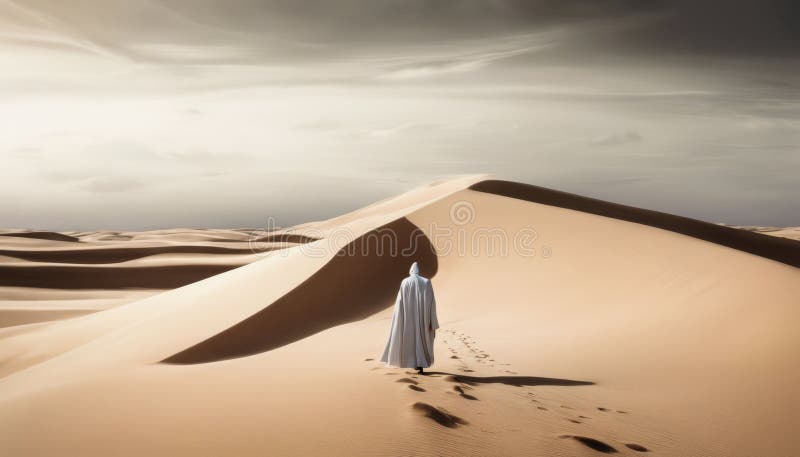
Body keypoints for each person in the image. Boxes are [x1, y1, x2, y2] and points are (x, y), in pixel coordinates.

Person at [380, 261, 439, 374]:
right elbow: (432, 302)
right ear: (419, 271)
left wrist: (399, 318)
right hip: (423, 317)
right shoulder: (426, 282)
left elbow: (399, 302)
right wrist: (433, 321)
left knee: (410, 339)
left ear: (411, 271)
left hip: (408, 317)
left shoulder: (405, 282)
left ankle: (414, 363)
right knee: (422, 339)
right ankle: (420, 364)